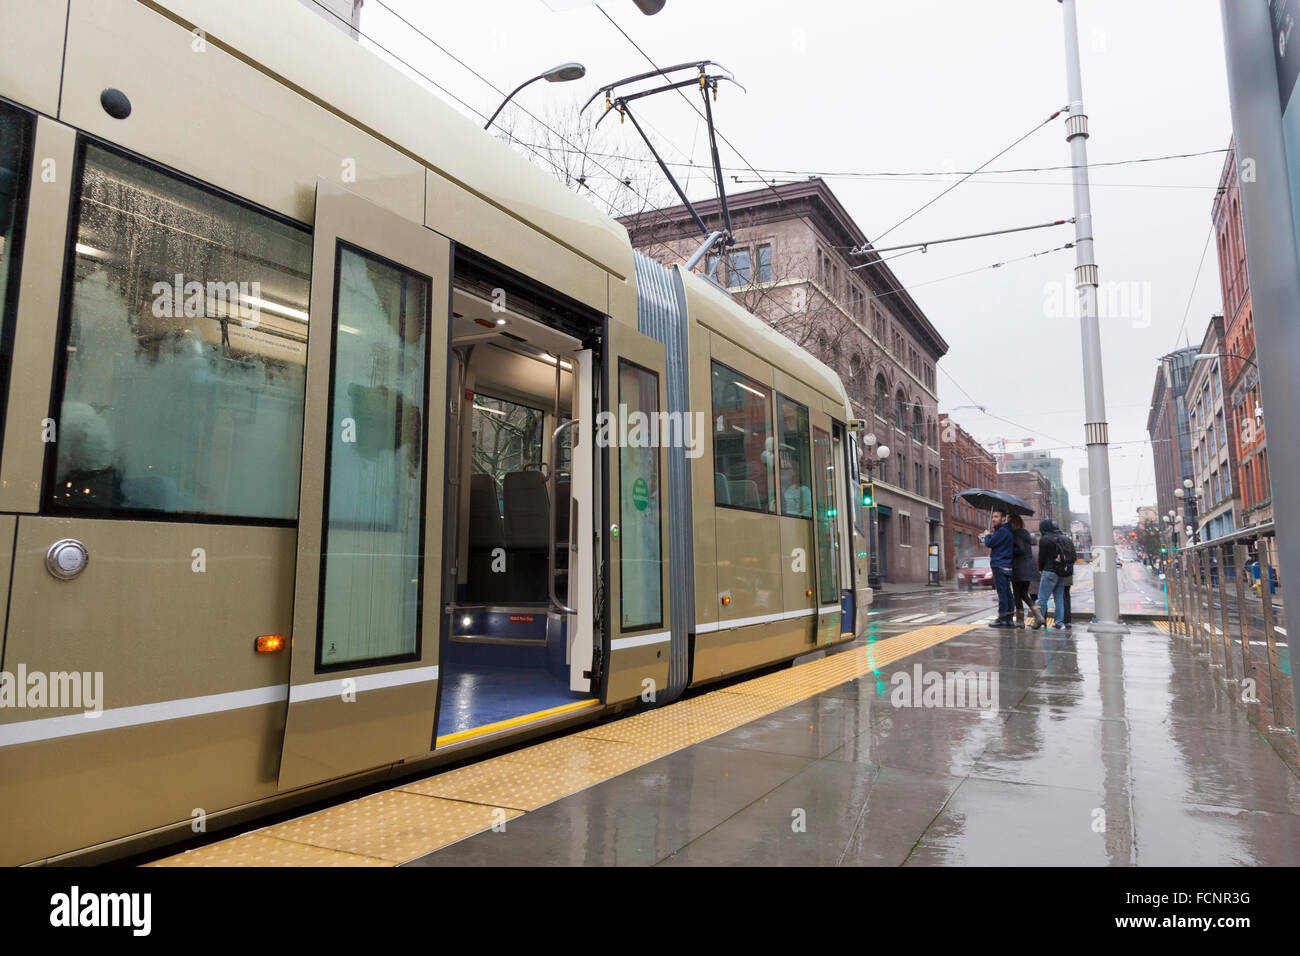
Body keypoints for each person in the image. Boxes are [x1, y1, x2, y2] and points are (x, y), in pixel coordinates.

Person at [1032, 517, 1069, 630]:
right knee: (1059, 599)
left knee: (1042, 599)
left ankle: (1039, 620)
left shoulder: (1044, 539)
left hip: (1048, 571)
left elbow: (1042, 557)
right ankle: (1059, 623)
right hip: (1060, 571)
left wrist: (1040, 568)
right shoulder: (1059, 538)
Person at [1009, 514, 1045, 628]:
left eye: (1009, 522)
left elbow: (1020, 549)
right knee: (1024, 594)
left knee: (1017, 595)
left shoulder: (1016, 534)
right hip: (1028, 568)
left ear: (1013, 523)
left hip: (1019, 568)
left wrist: (1009, 550)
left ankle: (1020, 621)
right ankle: (1039, 617)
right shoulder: (1026, 534)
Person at [983, 508, 1016, 627]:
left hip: (999, 565)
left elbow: (989, 543)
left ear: (1003, 518)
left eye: (996, 517)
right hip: (1006, 565)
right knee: (1007, 592)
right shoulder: (1007, 530)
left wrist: (987, 535)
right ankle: (1009, 618)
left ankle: (1002, 618)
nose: (993, 519)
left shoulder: (1002, 531)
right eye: (992, 517)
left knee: (1002, 593)